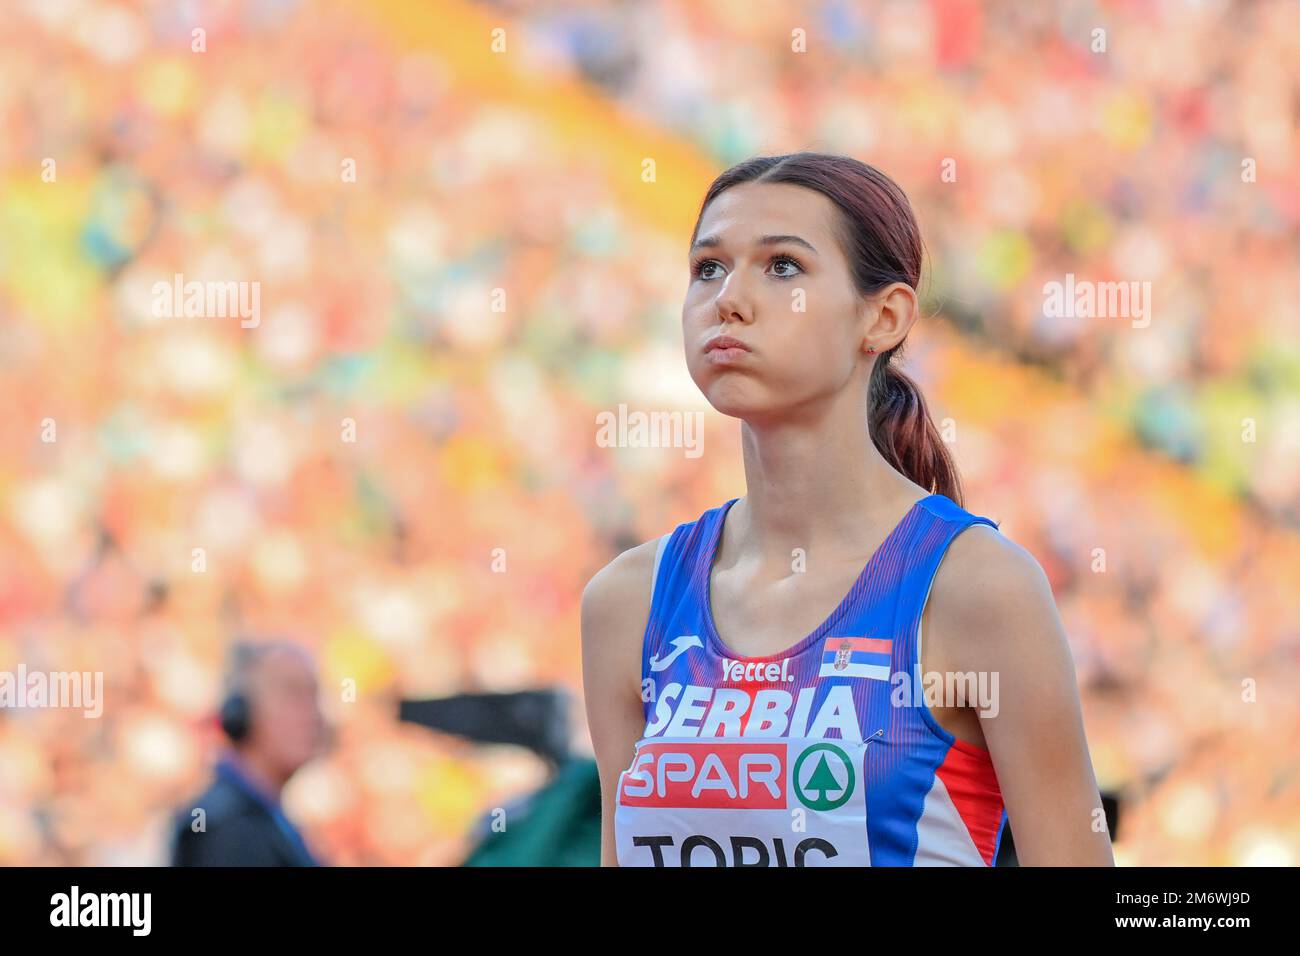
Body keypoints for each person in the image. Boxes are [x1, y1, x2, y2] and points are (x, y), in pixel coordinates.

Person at [581, 152, 1115, 867]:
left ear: (884, 317)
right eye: (708, 268)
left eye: (782, 268)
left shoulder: (978, 591)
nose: (728, 298)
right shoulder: (628, 602)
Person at [170, 640, 327, 866]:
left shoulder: (264, 820)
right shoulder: (224, 827)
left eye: (313, 697)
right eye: (293, 694)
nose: (313, 715)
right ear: (240, 712)